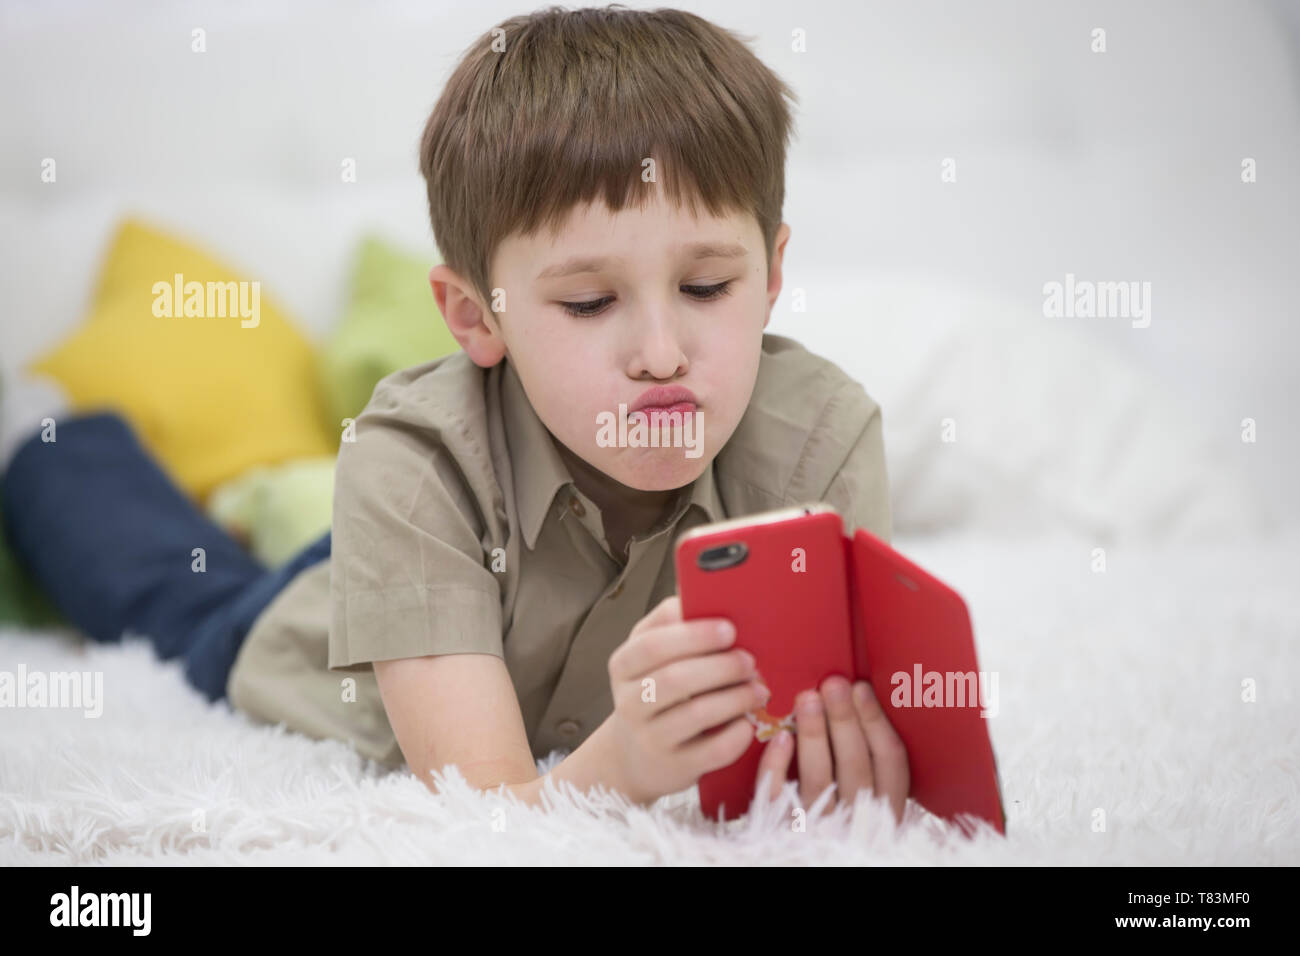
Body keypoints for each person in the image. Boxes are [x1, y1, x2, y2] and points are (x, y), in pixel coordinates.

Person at [1, 5, 908, 822]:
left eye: (707, 286)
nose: (663, 353)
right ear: (477, 318)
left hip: (446, 547)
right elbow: (485, 813)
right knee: (172, 589)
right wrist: (625, 764)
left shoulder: (822, 444)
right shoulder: (412, 465)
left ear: (774, 274)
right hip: (315, 608)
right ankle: (47, 442)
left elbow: (831, 732)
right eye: (590, 303)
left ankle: (267, 498)